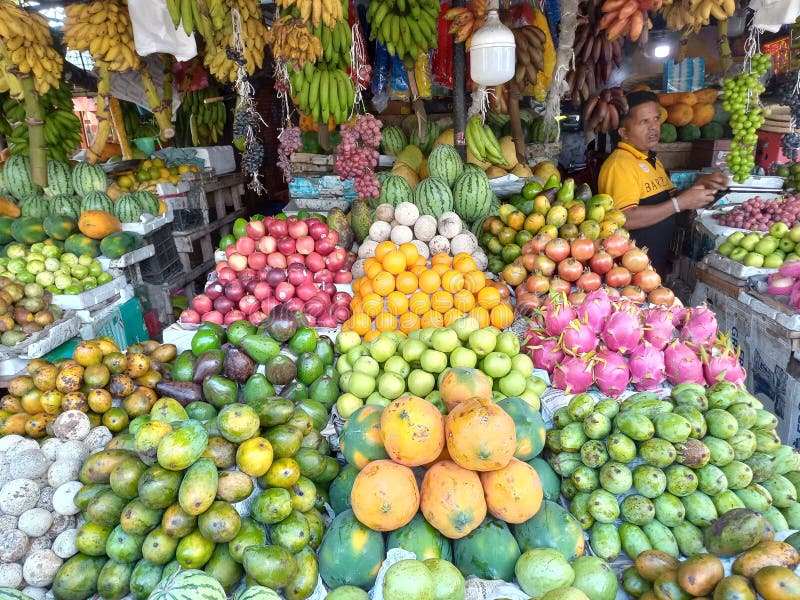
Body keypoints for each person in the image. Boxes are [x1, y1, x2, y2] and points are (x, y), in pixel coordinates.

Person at [597, 90, 729, 275]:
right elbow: (625, 219)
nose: (654, 127)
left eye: (656, 119)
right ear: (624, 132)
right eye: (644, 122)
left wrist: (700, 185)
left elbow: (670, 199)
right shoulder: (620, 165)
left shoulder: (650, 159)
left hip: (651, 263)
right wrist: (679, 204)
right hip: (630, 270)